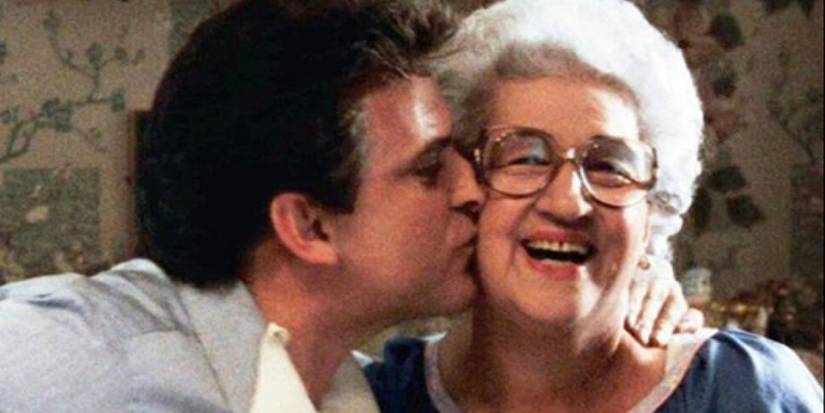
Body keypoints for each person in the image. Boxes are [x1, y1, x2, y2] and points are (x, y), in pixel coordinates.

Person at [0, 0, 695, 411]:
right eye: (430, 168)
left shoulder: (347, 387)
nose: (472, 190)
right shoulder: (75, 360)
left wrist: (628, 264)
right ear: (308, 225)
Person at [365, 0, 824, 412]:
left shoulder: (744, 391)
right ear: (463, 185)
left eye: (609, 166)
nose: (568, 203)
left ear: (653, 207)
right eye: (526, 158)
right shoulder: (374, 398)